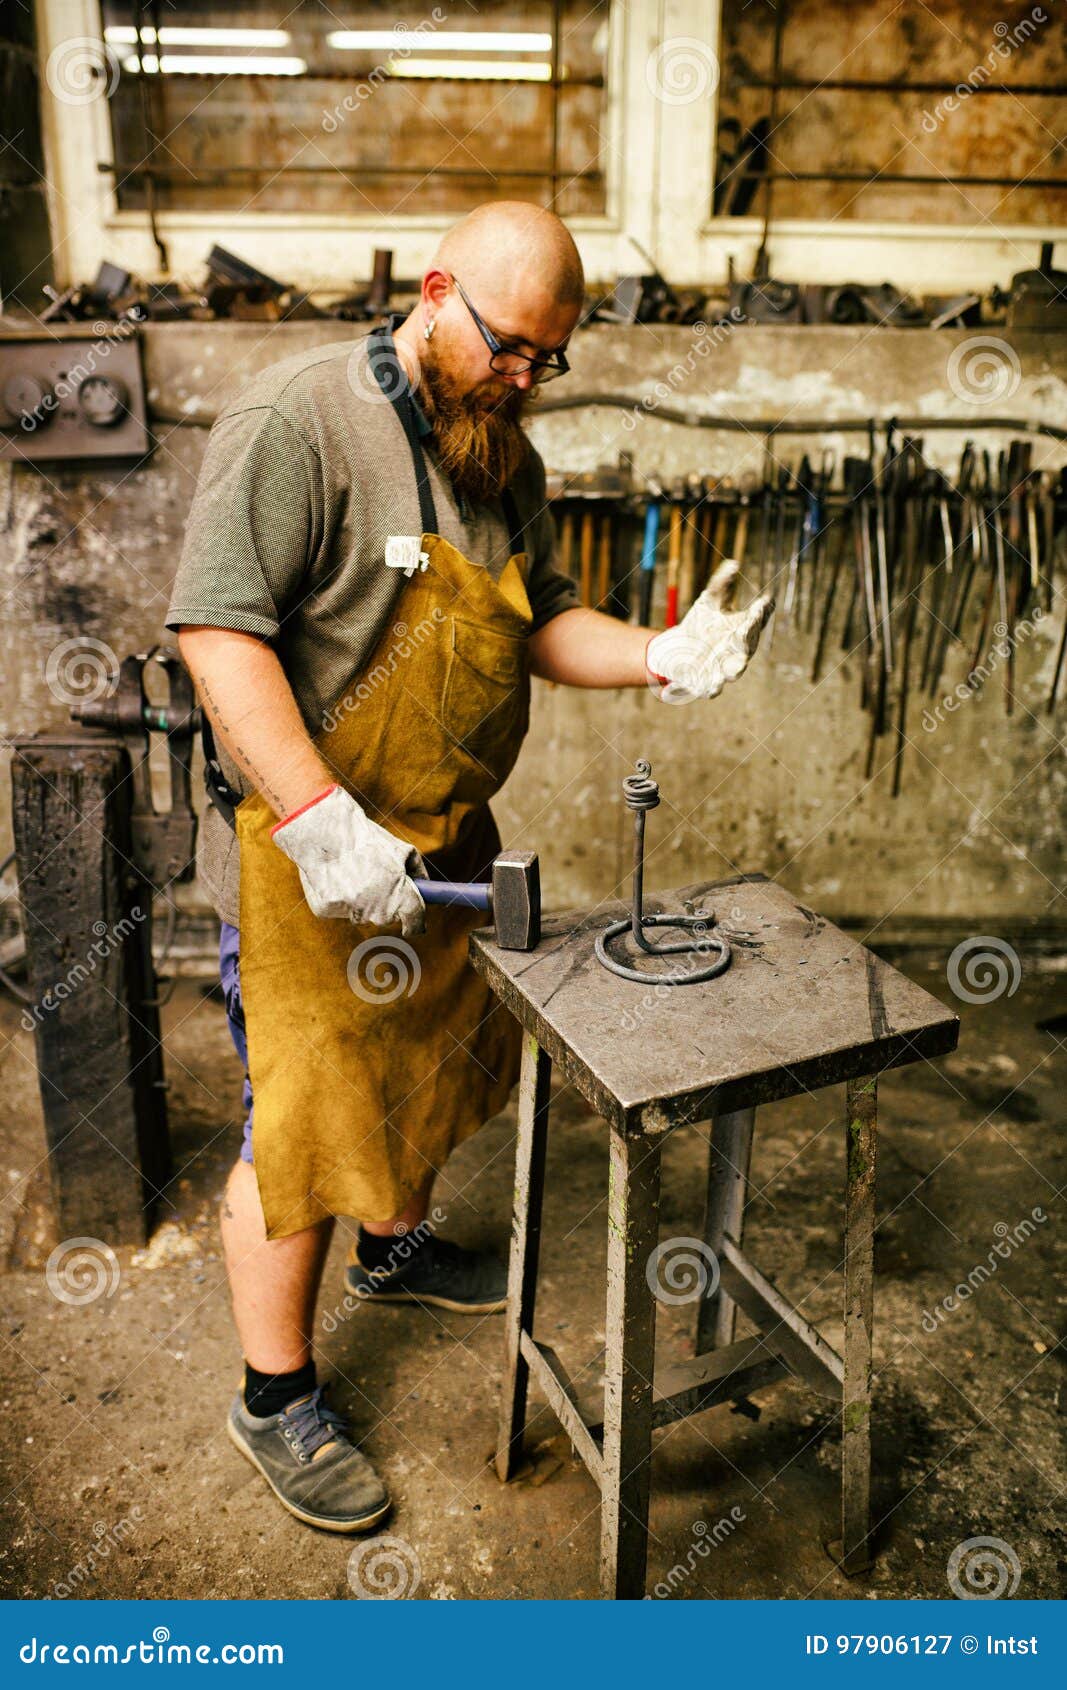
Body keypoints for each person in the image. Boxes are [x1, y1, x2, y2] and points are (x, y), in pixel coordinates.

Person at [166, 200, 772, 1534]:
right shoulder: (298, 424)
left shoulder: (501, 452)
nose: (526, 378)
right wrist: (320, 815)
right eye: (510, 348)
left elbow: (543, 617)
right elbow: (219, 636)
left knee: (434, 1064)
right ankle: (276, 1394)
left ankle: (396, 1251)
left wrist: (662, 653)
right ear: (437, 291)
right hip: (306, 852)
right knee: (308, 1123)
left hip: (443, 838)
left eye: (549, 359)